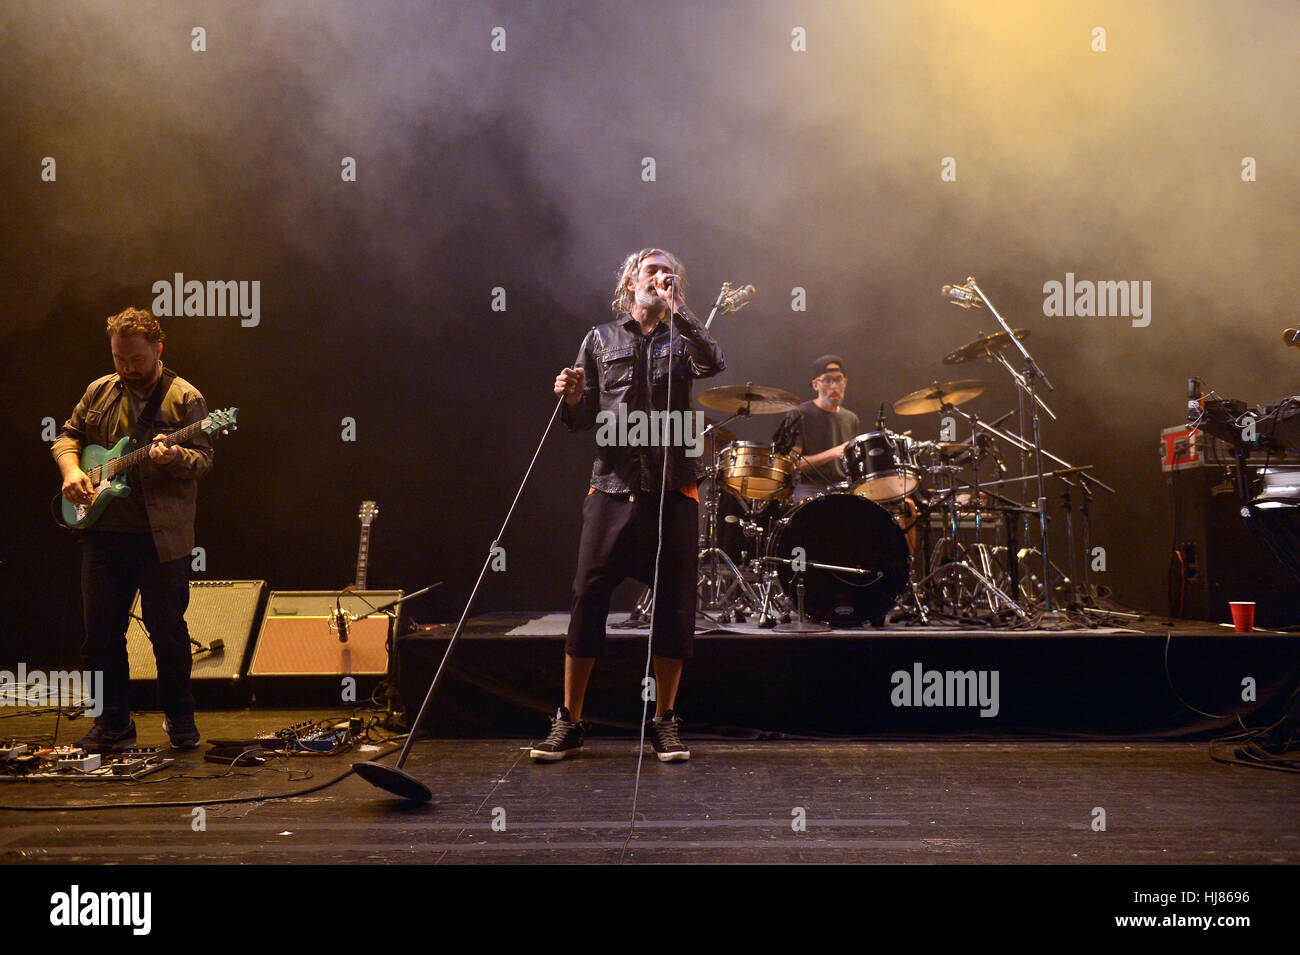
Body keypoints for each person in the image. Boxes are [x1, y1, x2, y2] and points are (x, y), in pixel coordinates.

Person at [535, 248, 726, 762]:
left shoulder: (682, 340)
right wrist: (572, 398)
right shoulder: (600, 339)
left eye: (670, 274)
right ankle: (570, 721)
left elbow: (715, 362)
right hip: (613, 486)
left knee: (675, 604)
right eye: (652, 271)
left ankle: (664, 720)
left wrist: (680, 310)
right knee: (587, 598)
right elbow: (578, 419)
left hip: (672, 489)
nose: (661, 278)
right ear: (629, 283)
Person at [52, 308, 214, 753]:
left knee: (168, 633)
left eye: (136, 359)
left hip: (161, 539)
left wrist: (173, 458)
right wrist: (71, 471)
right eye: (120, 358)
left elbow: (203, 459)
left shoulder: (185, 399)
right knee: (100, 634)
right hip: (103, 535)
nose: (127, 368)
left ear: (158, 350)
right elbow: (67, 436)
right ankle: (113, 722)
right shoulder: (100, 391)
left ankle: (180, 720)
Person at [776, 355, 861, 501]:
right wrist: (833, 453)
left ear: (845, 382)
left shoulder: (851, 418)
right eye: (828, 380)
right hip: (809, 487)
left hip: (843, 486)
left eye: (838, 379)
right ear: (815, 384)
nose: (834, 386)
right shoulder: (800, 414)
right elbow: (792, 464)